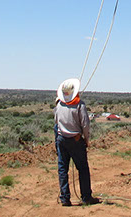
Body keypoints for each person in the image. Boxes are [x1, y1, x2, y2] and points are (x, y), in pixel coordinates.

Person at [54, 78, 98, 206]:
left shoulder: (59, 105)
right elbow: (85, 124)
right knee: (83, 168)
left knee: (62, 168)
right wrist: (86, 139)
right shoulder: (80, 105)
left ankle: (65, 198)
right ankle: (86, 197)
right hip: (75, 140)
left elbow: (56, 123)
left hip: (61, 139)